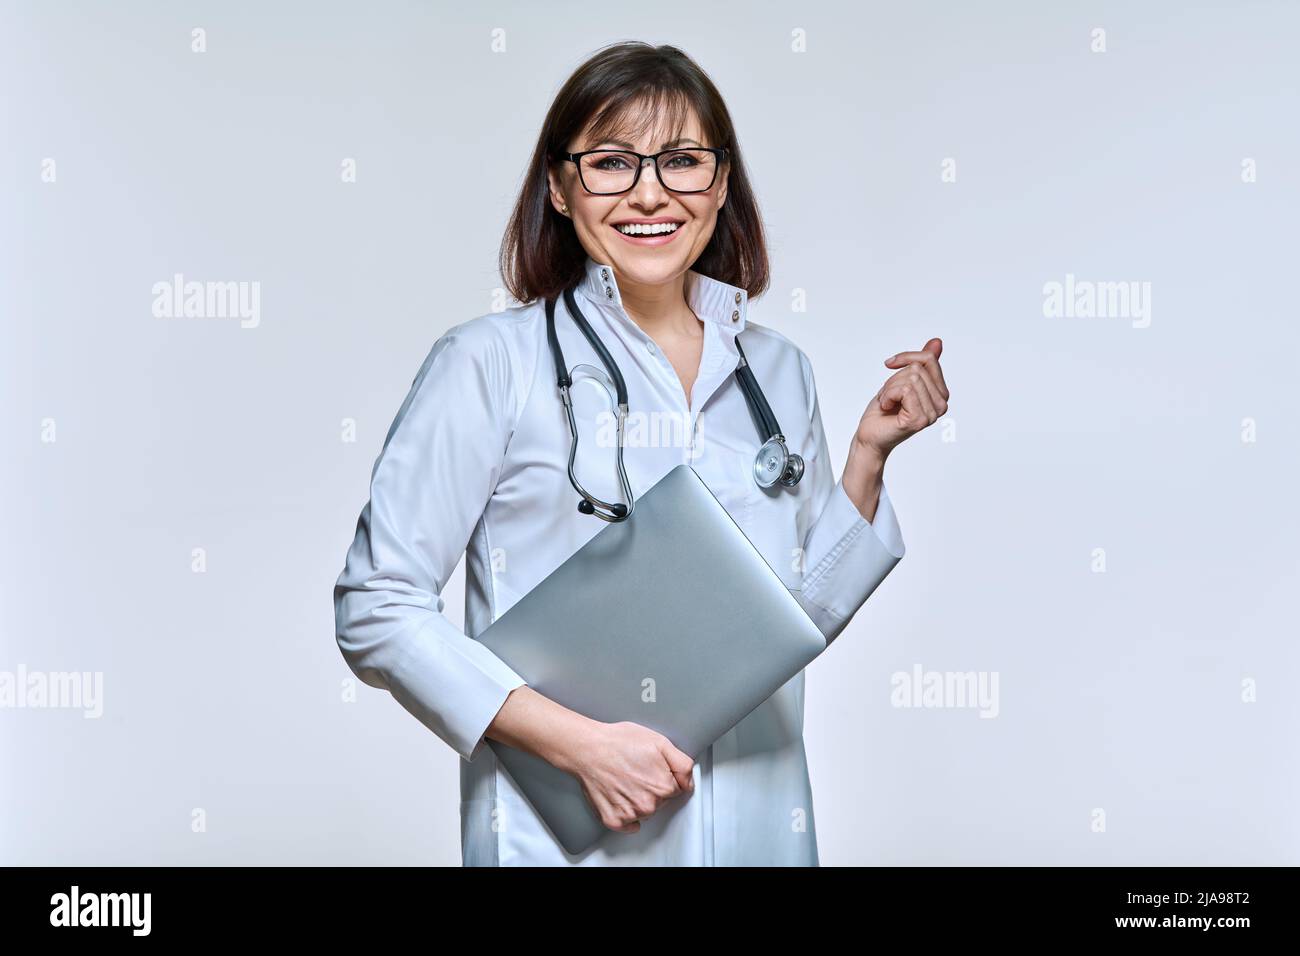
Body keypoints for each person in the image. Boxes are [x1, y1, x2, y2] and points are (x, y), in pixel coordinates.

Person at [333, 41, 949, 866]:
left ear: (721, 182)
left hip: (759, 829)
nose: (651, 193)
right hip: (567, 837)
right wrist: (580, 745)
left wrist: (869, 457)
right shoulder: (490, 363)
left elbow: (789, 626)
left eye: (683, 161)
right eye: (612, 162)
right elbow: (377, 606)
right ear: (558, 186)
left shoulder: (778, 372)